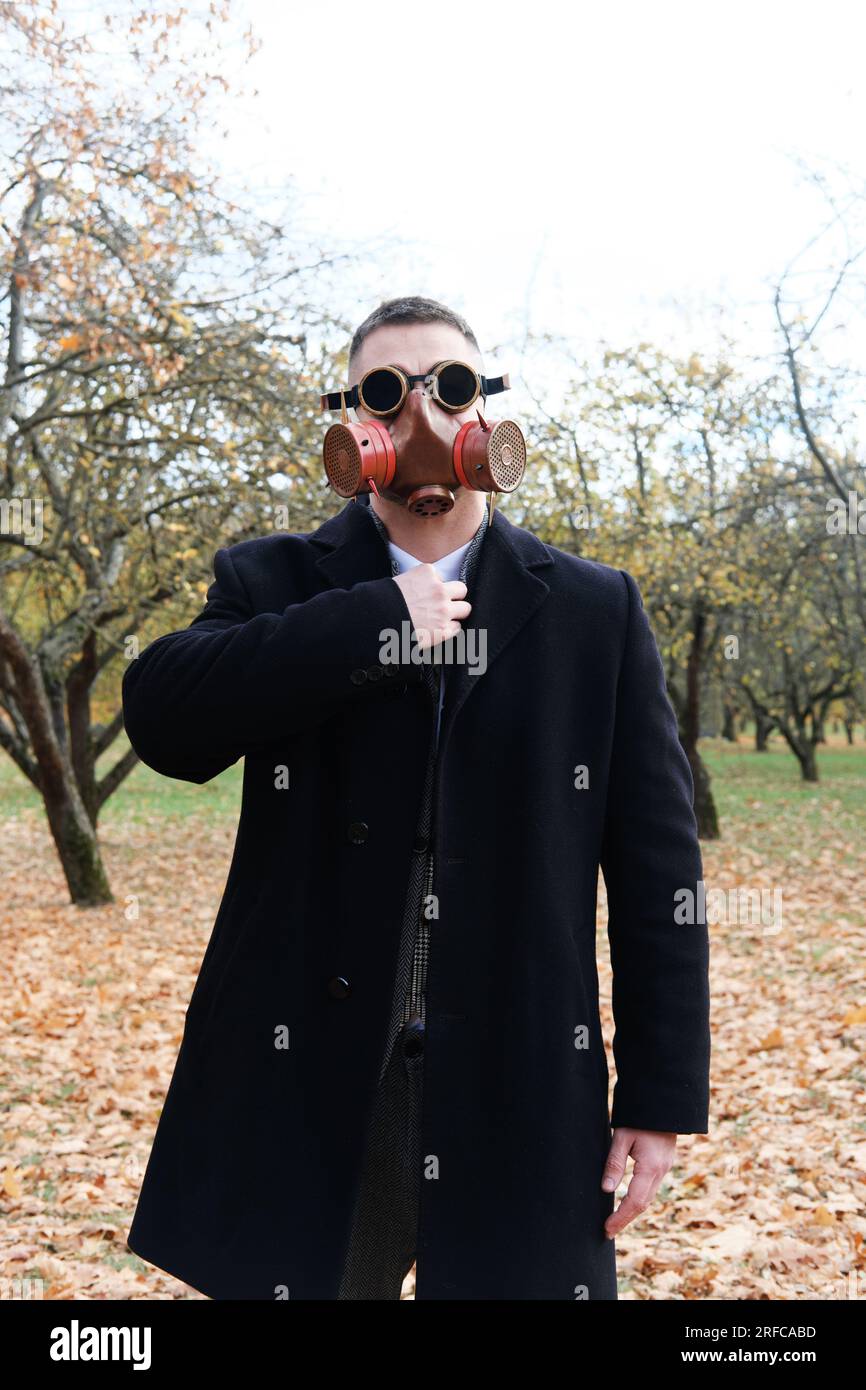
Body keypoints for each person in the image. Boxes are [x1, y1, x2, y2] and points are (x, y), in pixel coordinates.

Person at [123, 295, 711, 1301]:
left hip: (516, 1074)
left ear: (484, 411)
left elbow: (660, 873)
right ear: (353, 426)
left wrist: (659, 1098)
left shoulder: (590, 608)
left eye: (449, 387)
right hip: (309, 1077)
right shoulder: (273, 582)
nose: (421, 418)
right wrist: (372, 620)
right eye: (386, 396)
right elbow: (165, 723)